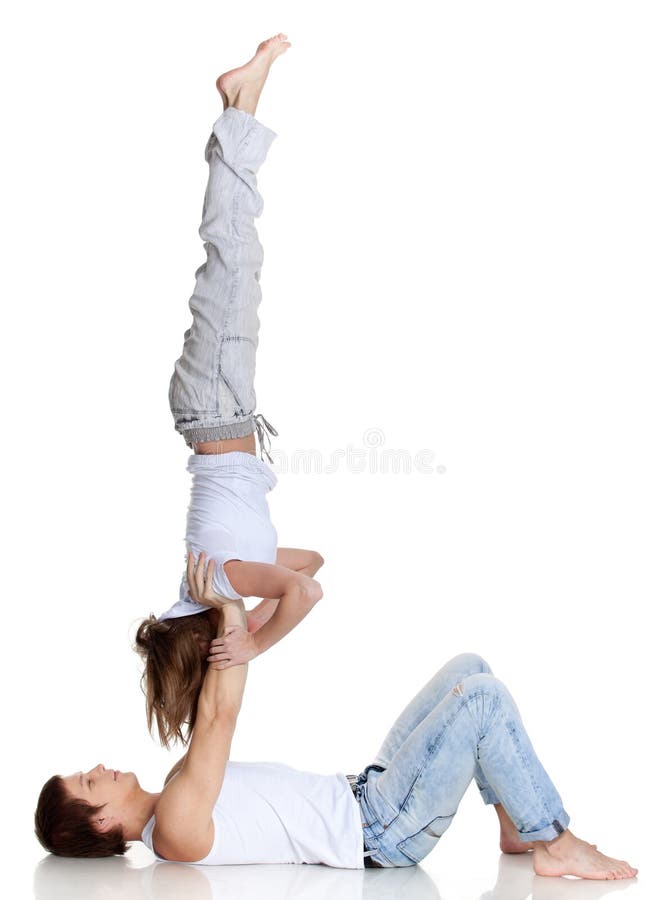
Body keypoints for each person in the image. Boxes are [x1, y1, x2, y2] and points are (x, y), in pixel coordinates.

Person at [35, 558, 637, 880]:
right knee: (480, 699)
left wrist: (230, 570)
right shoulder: (173, 829)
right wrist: (224, 606)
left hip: (367, 792)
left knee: (469, 665)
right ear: (104, 821)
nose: (97, 769)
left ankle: (515, 827)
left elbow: (306, 564)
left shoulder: (175, 787)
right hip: (381, 831)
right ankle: (555, 840)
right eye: (88, 783)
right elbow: (219, 716)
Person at [135, 35, 325, 748]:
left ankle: (238, 108)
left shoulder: (218, 575)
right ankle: (240, 102)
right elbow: (310, 565)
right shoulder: (232, 577)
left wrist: (257, 643)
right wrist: (258, 596)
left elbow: (304, 590)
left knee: (233, 250)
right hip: (221, 405)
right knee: (238, 254)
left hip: (215, 403)